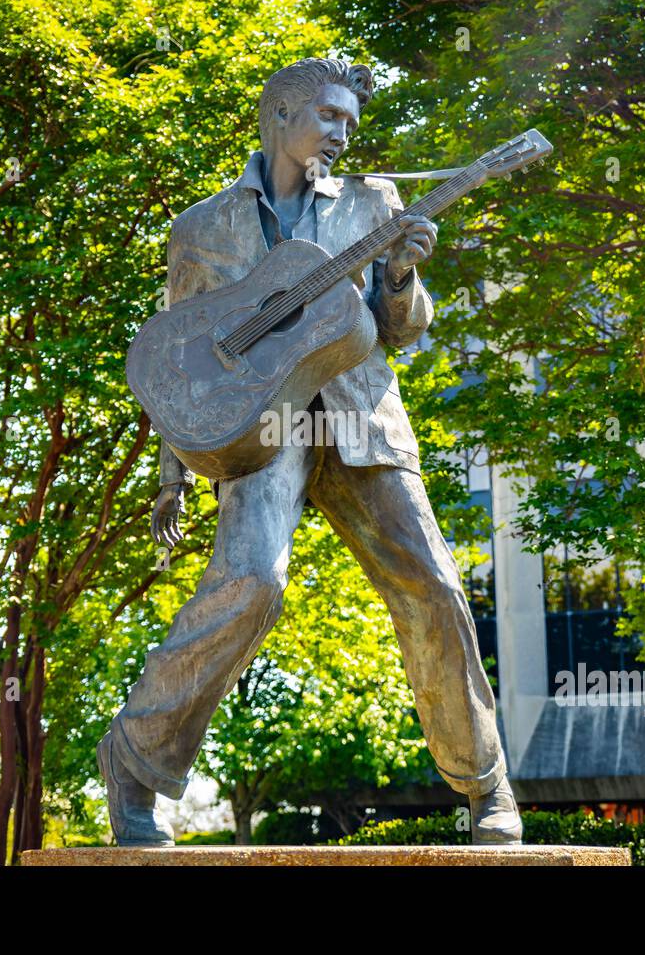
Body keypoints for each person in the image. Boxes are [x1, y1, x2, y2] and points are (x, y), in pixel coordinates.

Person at [99, 58, 520, 846]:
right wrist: (172, 473)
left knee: (431, 582)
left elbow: (399, 327)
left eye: (351, 124)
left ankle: (487, 788)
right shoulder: (203, 226)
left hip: (361, 416)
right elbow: (178, 356)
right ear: (283, 111)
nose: (342, 133)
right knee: (252, 584)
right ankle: (134, 761)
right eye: (329, 116)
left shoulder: (374, 203)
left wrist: (400, 275)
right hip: (259, 431)